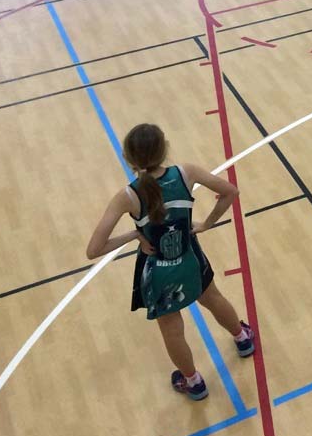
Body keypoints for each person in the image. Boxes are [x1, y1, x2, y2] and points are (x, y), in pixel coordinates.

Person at [85, 123, 255, 402]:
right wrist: (207, 224)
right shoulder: (186, 173)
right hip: (190, 258)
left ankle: (194, 382)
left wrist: (134, 234)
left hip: (159, 273)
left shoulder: (127, 197)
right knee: (213, 298)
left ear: (127, 158)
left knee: (172, 331)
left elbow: (94, 250)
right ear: (165, 148)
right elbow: (230, 192)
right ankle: (243, 339)